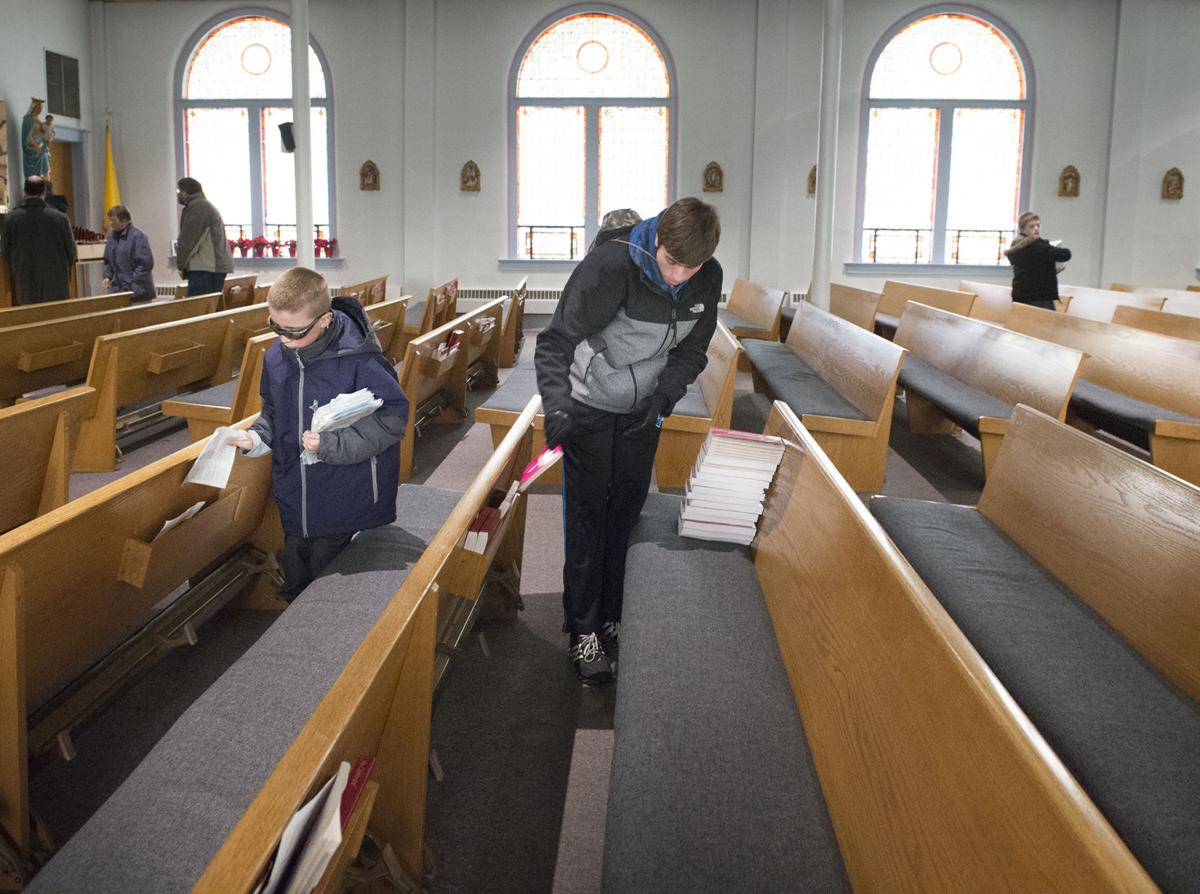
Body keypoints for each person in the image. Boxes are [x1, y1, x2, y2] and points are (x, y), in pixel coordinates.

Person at [535, 196, 722, 684]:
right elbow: (555, 341)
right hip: (590, 404)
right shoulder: (611, 266)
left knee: (627, 511)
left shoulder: (707, 274)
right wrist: (557, 405)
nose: (680, 276)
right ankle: (582, 629)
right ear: (656, 239)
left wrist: (662, 400)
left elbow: (693, 350)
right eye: (672, 263)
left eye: (692, 267)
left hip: (643, 410)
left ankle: (613, 614)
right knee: (589, 516)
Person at [226, 267, 409, 602]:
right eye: (275, 327)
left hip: (345, 492)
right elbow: (274, 413)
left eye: (295, 331)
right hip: (296, 493)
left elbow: (392, 418)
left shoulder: (359, 360)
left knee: (333, 588)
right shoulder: (276, 358)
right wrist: (256, 438)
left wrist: (331, 444)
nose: (284, 338)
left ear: (325, 320)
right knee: (297, 572)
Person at [1, 175, 75, 304]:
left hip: (25, 282)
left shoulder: (11, 219)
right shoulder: (60, 218)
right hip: (56, 283)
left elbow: (5, 253)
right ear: (45, 191)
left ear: (25, 191)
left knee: (32, 319)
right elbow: (72, 251)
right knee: (56, 321)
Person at [175, 176, 233, 297]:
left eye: (179, 191)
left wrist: (181, 265)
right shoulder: (203, 205)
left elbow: (189, 240)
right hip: (209, 267)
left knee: (198, 309)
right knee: (208, 309)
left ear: (185, 192)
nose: (178, 194)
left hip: (205, 268)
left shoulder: (199, 207)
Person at [1005, 212, 1071, 310]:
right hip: (1039, 296)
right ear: (1023, 229)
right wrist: (1049, 246)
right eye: (1032, 226)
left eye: (1038, 225)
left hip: (1021, 295)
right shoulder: (1037, 246)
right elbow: (1066, 254)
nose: (1036, 228)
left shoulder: (1016, 245)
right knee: (1046, 324)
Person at [101, 204, 155, 302]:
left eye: (114, 220)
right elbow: (109, 262)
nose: (110, 223)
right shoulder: (111, 238)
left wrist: (132, 284)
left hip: (138, 293)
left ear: (124, 220)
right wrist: (107, 276)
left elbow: (145, 264)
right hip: (118, 291)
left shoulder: (137, 237)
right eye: (110, 220)